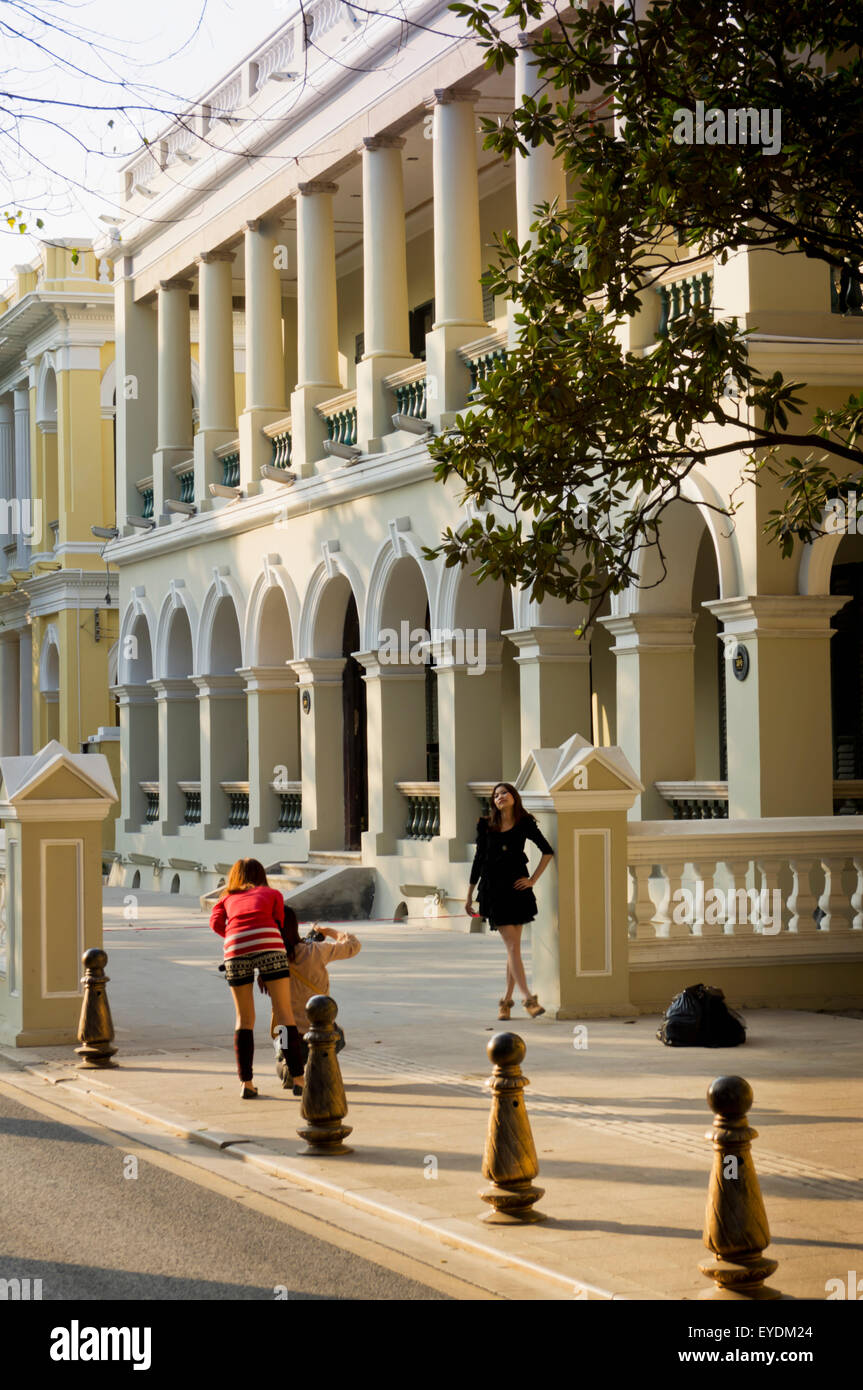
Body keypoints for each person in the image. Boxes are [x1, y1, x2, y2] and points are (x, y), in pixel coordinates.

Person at [209, 858, 305, 1098]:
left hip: (235, 948)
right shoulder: (272, 893)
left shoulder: (226, 898)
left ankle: (247, 1083)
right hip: (269, 944)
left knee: (244, 1018)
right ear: (262, 875)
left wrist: (234, 935)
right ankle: (298, 1078)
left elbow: (215, 923)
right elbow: (279, 922)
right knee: (284, 1014)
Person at [464, 782, 554, 1021]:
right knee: (513, 947)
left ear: (514, 797)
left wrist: (532, 880)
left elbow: (547, 851)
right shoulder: (485, 825)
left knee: (512, 949)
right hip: (494, 890)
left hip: (517, 888)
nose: (500, 797)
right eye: (496, 795)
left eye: (504, 792)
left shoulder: (525, 823)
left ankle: (505, 1001)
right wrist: (469, 894)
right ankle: (528, 999)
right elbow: (478, 860)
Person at [265, 907, 361, 1087]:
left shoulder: (270, 959)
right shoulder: (316, 950)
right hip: (319, 1034)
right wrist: (326, 931)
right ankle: (322, 1068)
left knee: (282, 1036)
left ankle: (289, 1068)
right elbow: (353, 946)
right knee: (338, 1034)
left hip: (288, 1035)